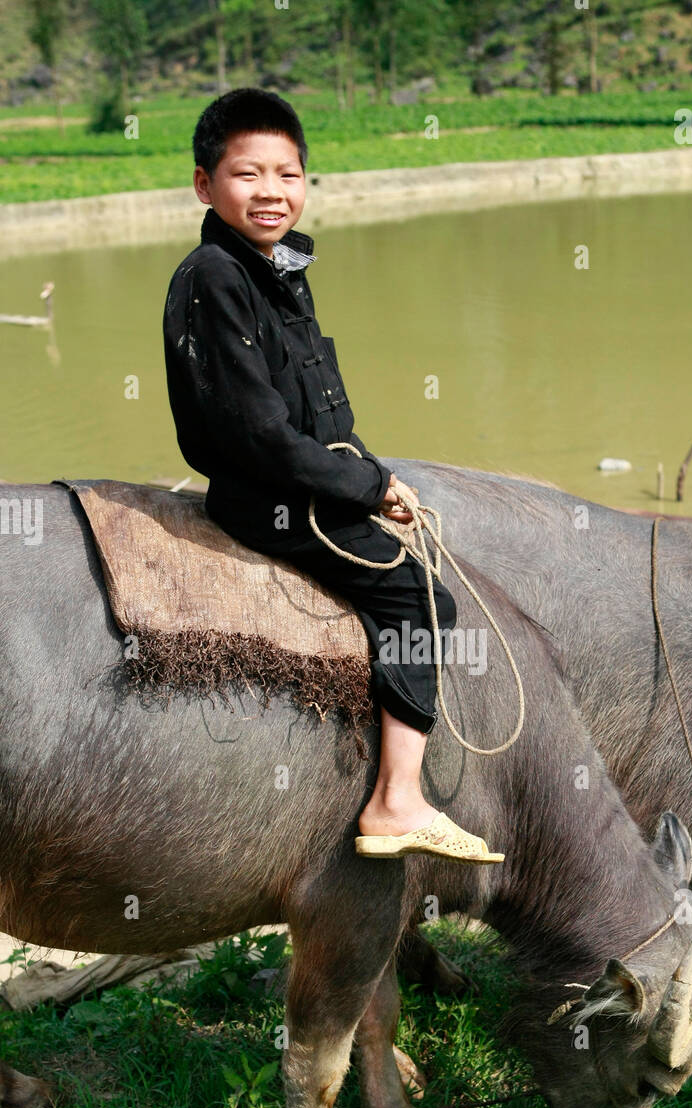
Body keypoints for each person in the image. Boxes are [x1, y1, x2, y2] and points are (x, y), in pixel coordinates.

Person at [162, 87, 503, 864]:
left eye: (288, 174)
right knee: (420, 597)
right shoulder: (214, 274)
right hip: (269, 498)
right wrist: (367, 488)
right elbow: (262, 434)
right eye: (248, 175)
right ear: (204, 185)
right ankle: (397, 801)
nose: (271, 192)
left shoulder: (278, 266)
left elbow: (317, 407)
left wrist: (371, 469)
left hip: (305, 482)